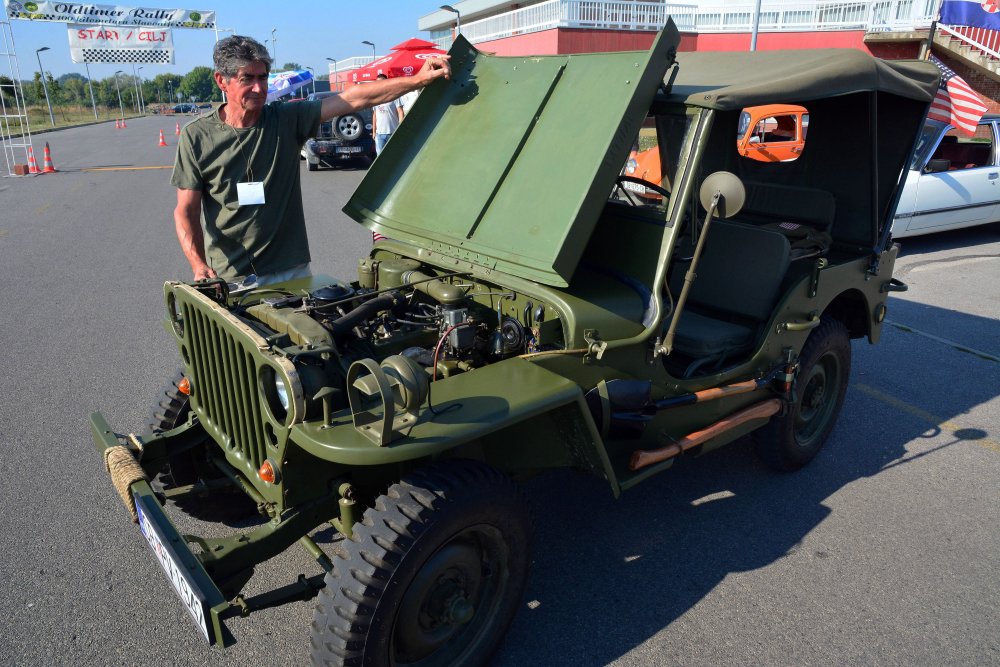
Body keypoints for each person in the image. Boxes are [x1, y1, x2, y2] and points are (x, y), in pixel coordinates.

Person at [171, 35, 450, 284]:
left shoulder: (286, 119)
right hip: (230, 277)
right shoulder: (197, 136)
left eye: (263, 77)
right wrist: (198, 264)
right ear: (222, 80)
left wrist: (417, 81)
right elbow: (186, 210)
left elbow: (352, 99)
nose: (259, 88)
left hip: (291, 271)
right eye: (247, 79)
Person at [371, 74, 404, 156]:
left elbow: (400, 112)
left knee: (393, 156)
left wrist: (399, 128)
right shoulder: (376, 97)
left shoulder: (394, 95)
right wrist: (374, 132)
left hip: (392, 133)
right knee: (380, 158)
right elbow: (375, 115)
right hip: (379, 135)